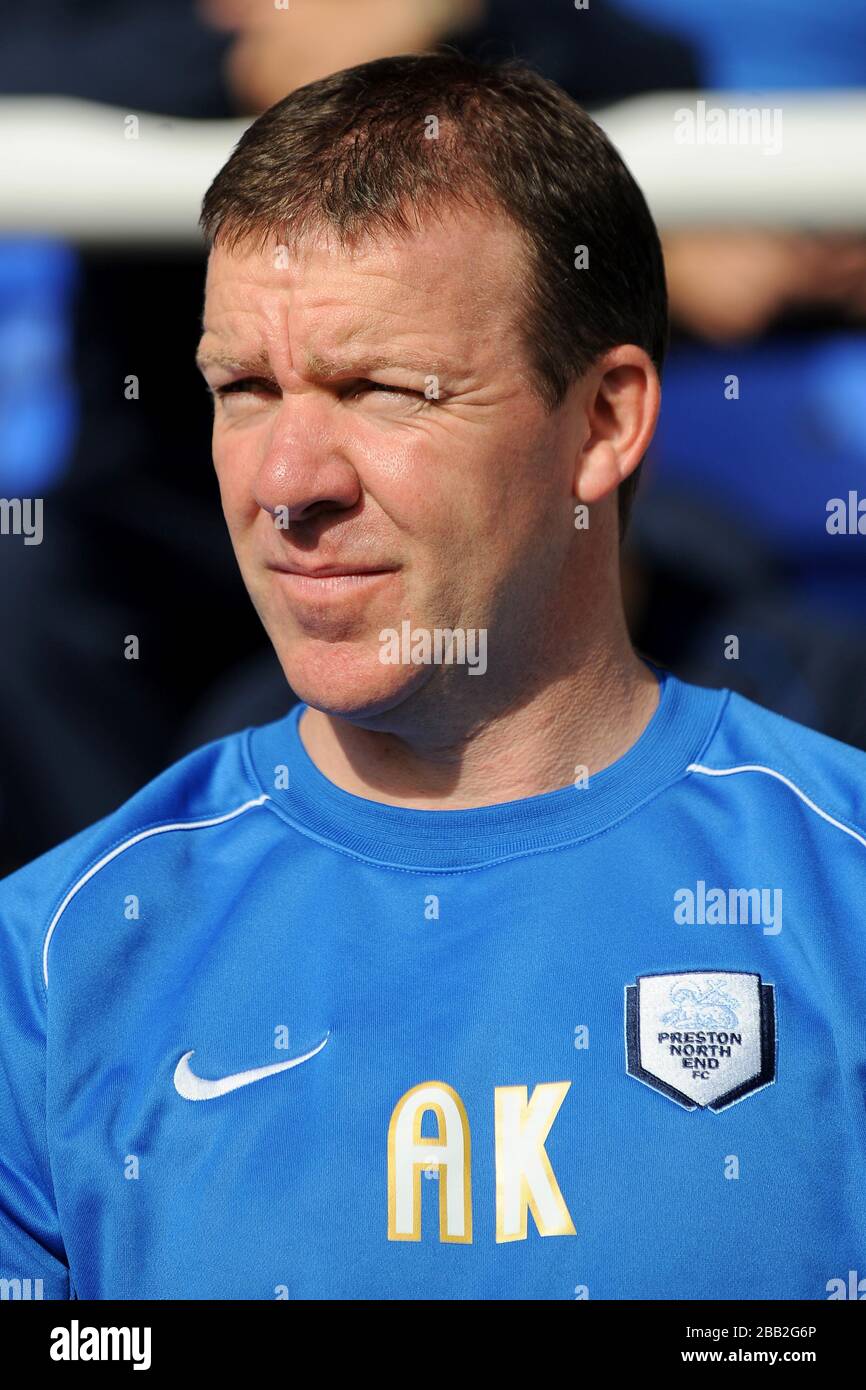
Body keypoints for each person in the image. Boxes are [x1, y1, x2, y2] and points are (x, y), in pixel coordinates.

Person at [1, 53, 864, 1302]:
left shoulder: (839, 899)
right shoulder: (55, 966)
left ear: (605, 422)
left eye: (383, 390)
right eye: (243, 389)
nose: (289, 481)